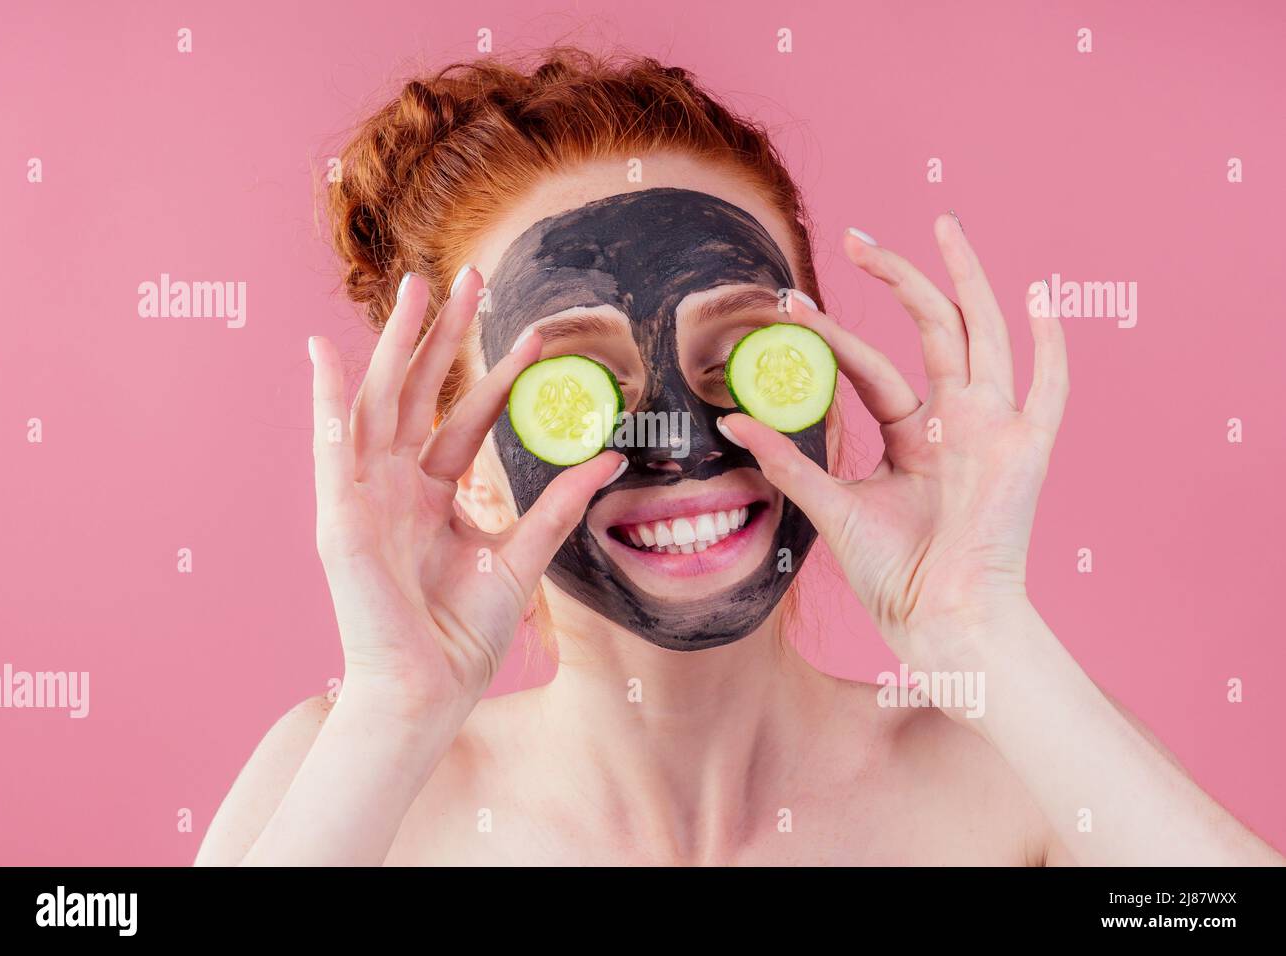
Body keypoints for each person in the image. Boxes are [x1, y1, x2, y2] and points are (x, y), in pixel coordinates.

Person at [195, 49, 1282, 866]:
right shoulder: (348, 779)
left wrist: (977, 627)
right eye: (576, 381)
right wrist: (393, 712)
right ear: (469, 455)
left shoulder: (1019, 767)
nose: (677, 434)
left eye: (742, 355)